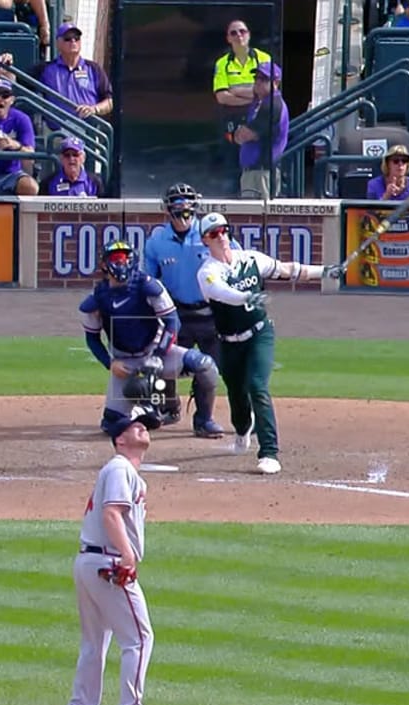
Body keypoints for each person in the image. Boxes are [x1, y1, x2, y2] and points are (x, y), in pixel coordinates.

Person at [196, 212, 327, 476]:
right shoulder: (208, 272)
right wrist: (248, 296)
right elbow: (223, 293)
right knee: (236, 394)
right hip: (229, 342)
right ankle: (243, 429)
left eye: (223, 230)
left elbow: (286, 269)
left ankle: (269, 452)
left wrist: (324, 271)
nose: (220, 237)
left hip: (259, 333)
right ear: (205, 241)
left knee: (257, 386)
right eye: (213, 234)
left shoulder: (251, 259)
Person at [62, 404, 164, 705]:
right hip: (108, 562)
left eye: (143, 426)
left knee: (95, 642)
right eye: (134, 427)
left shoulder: (118, 470)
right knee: (139, 638)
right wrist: (127, 555)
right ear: (119, 439)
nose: (141, 429)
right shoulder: (120, 469)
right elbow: (112, 514)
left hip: (89, 562)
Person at [81, 240, 223, 439]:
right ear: (104, 264)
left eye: (126, 258)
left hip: (155, 352)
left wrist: (157, 355)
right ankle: (148, 408)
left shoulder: (148, 286)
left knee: (205, 366)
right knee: (113, 424)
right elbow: (92, 338)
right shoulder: (97, 298)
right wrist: (110, 363)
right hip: (125, 362)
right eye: (116, 258)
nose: (122, 263)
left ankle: (203, 421)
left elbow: (173, 322)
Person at [143, 182, 227, 427]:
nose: (183, 214)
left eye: (188, 208)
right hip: (175, 313)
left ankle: (204, 418)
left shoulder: (209, 232)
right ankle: (169, 407)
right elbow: (150, 279)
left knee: (209, 368)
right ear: (168, 210)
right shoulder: (156, 241)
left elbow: (234, 261)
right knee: (164, 363)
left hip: (211, 312)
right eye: (177, 208)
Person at [212, 20, 273, 161]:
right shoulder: (222, 63)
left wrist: (234, 90)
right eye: (233, 33)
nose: (239, 35)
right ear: (228, 38)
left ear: (249, 35)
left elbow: (270, 91)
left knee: (258, 162)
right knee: (232, 165)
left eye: (242, 31)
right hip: (232, 120)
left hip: (258, 118)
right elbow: (222, 97)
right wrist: (255, 96)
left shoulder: (264, 59)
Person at [34, 23, 114, 122]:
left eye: (76, 38)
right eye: (67, 38)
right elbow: (17, 81)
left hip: (88, 132)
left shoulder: (93, 68)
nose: (73, 41)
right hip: (57, 133)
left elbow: (109, 101)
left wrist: (94, 109)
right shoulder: (45, 69)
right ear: (58, 43)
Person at [234, 62, 289, 199]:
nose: (258, 82)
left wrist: (243, 133)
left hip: (262, 172)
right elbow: (240, 136)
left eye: (264, 79)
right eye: (256, 78)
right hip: (253, 171)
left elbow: (245, 135)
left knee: (260, 217)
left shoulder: (273, 104)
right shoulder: (259, 102)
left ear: (276, 82)